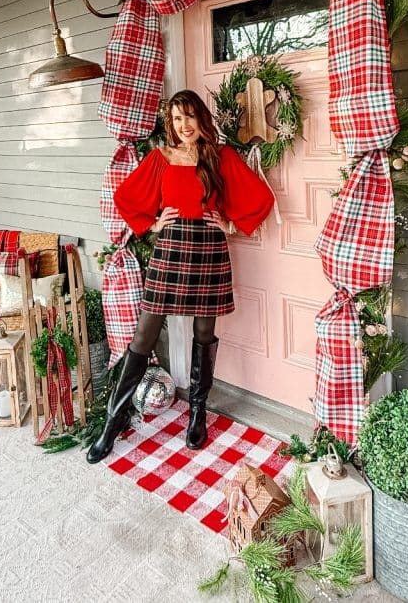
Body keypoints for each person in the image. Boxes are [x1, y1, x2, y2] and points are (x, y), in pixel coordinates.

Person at [87, 89, 274, 464]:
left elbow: (260, 199)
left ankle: (197, 413)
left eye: (188, 116)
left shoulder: (221, 157)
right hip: (170, 251)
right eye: (175, 119)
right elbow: (124, 197)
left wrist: (232, 226)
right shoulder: (160, 158)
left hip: (208, 252)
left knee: (204, 335)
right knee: (144, 334)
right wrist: (152, 224)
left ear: (200, 119)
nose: (183, 125)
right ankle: (114, 420)